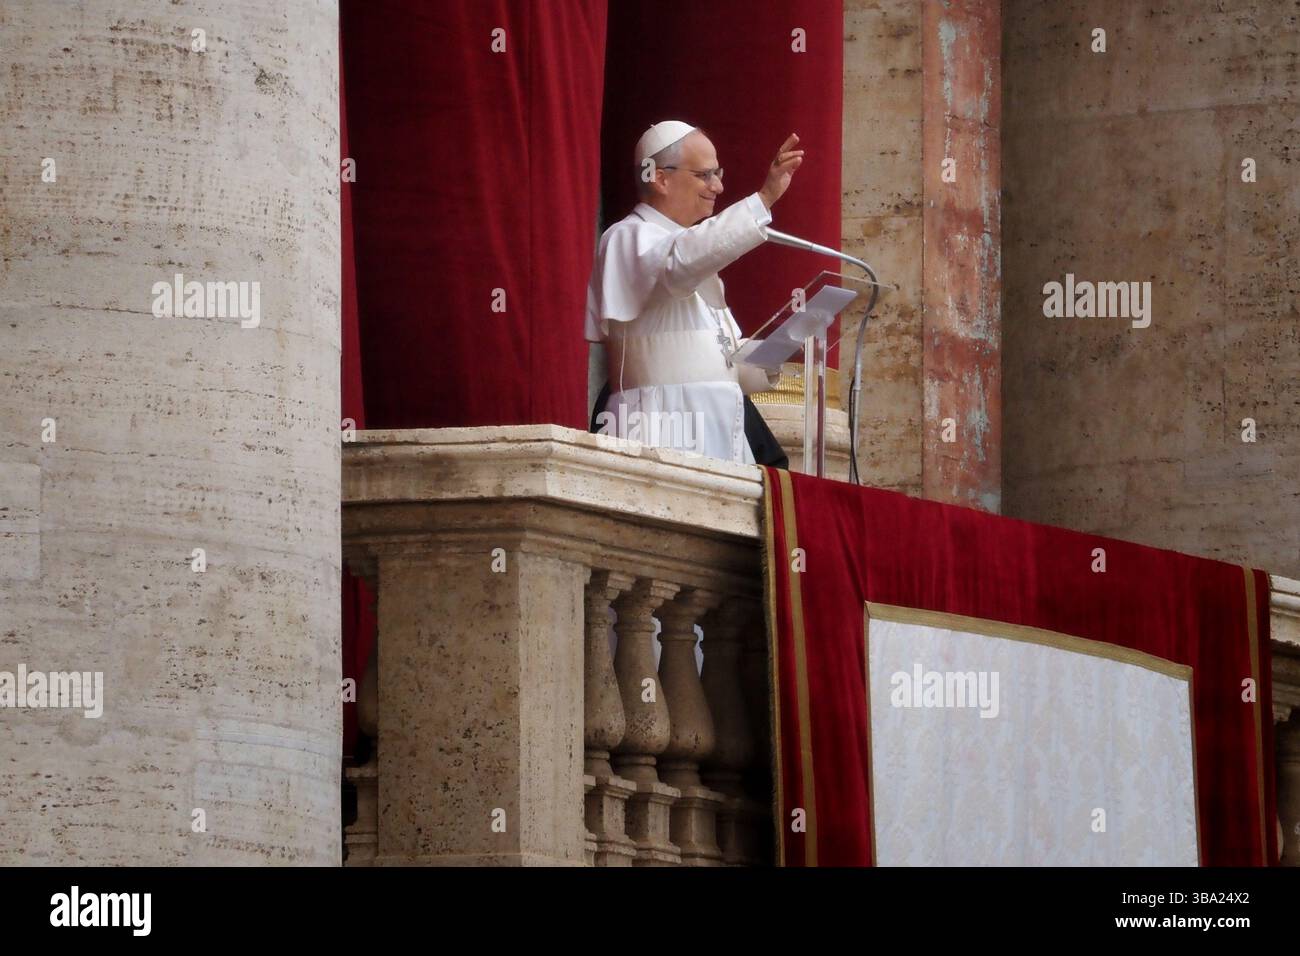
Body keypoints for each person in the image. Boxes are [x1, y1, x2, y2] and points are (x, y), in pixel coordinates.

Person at [585, 121, 803, 465]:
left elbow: (727, 366)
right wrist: (763, 200)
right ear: (659, 178)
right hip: (660, 433)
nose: (718, 186)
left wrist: (790, 339)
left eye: (718, 173)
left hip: (717, 435)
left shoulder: (692, 252)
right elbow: (678, 264)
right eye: (705, 175)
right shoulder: (628, 237)